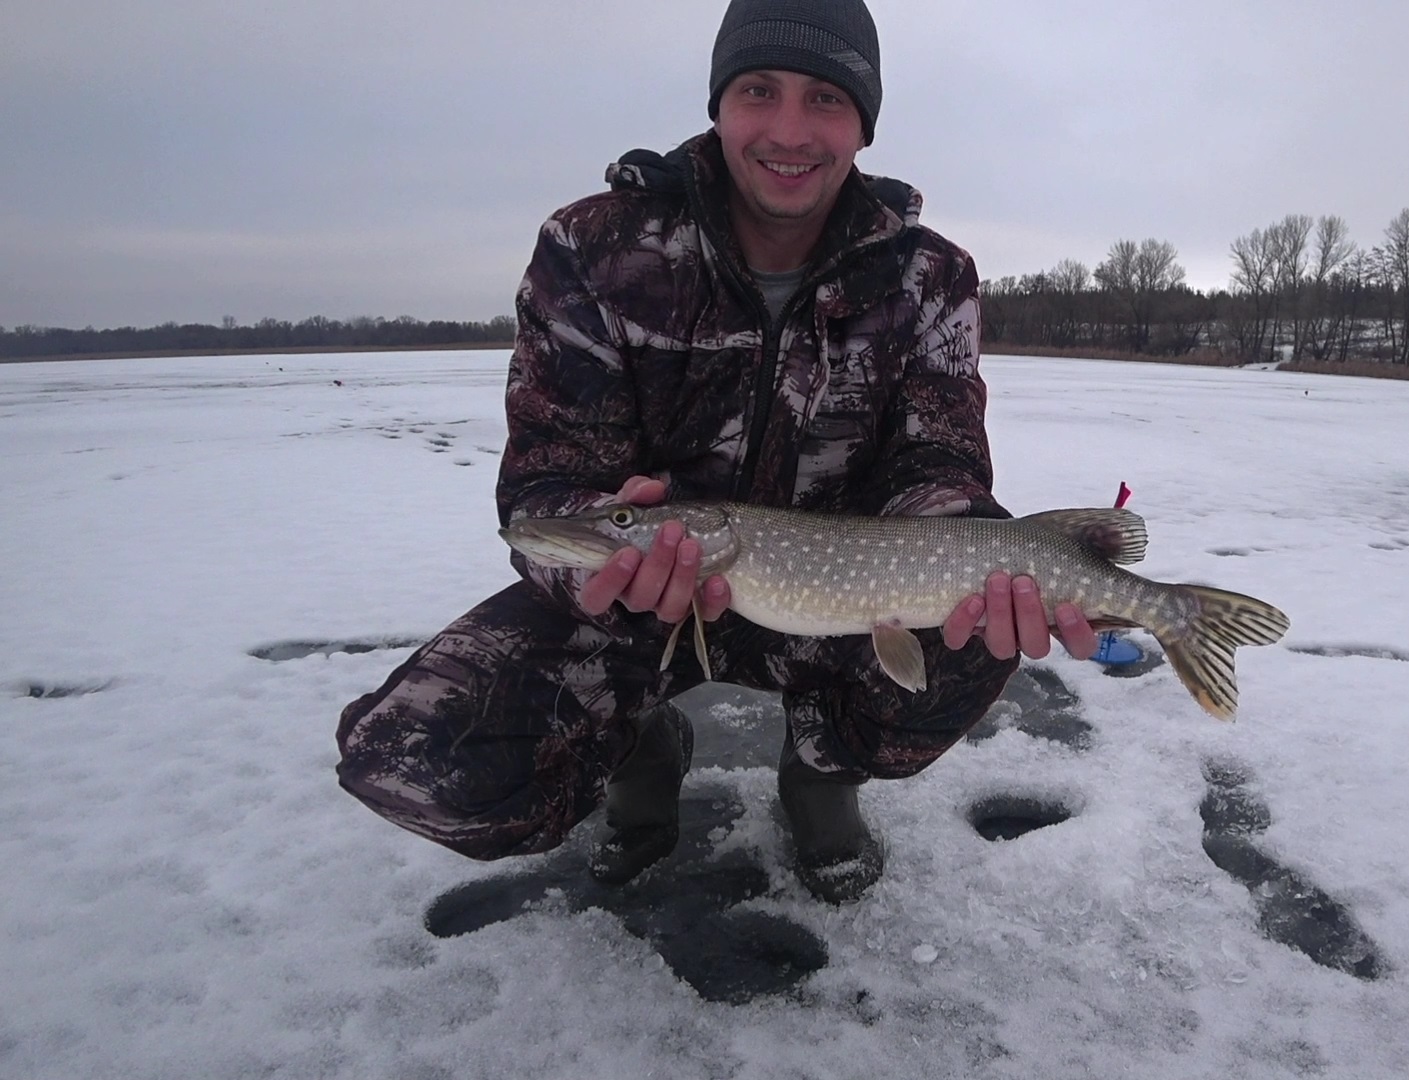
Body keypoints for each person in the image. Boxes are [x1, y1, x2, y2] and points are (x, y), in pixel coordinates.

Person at [335, 0, 1098, 905]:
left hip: (846, 605)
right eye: (758, 90)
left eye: (825, 98)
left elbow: (936, 462)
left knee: (970, 646)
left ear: (863, 124)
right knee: (416, 759)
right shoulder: (594, 248)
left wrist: (973, 543)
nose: (790, 130)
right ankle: (638, 745)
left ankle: (821, 774)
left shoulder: (930, 276)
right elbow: (549, 482)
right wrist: (605, 545)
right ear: (718, 104)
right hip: (640, 610)